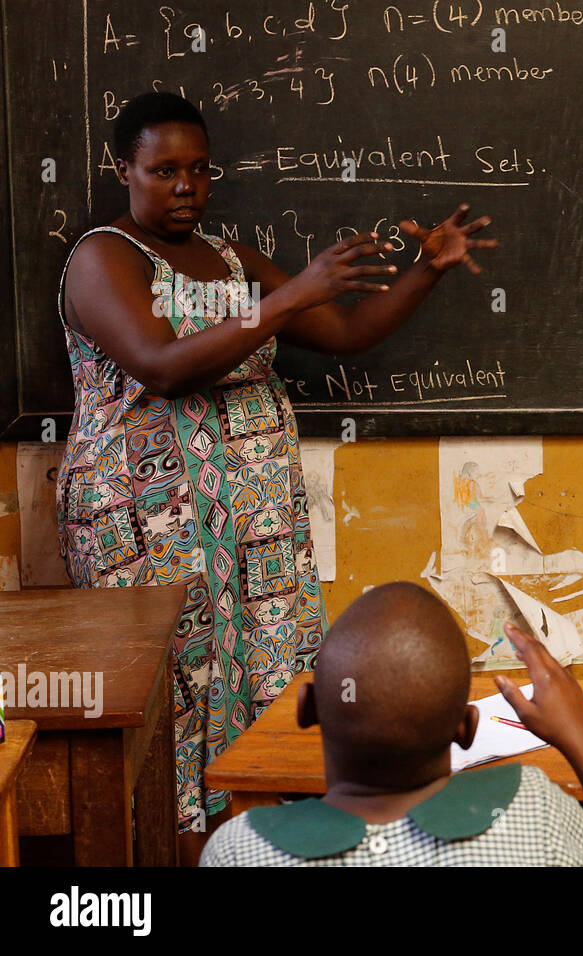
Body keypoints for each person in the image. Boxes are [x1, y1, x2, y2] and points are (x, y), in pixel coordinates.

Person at [55, 91, 496, 857]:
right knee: (172, 704)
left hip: (258, 535)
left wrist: (428, 268)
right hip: (150, 533)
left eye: (199, 170)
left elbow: (345, 330)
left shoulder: (231, 258)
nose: (186, 186)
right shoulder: (103, 258)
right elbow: (161, 367)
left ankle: (258, 852)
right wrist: (290, 296)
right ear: (123, 169)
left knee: (267, 686)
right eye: (164, 171)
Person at [199, 582, 583, 866]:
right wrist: (582, 738)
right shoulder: (534, 814)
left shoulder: (239, 850)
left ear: (307, 709)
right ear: (466, 727)